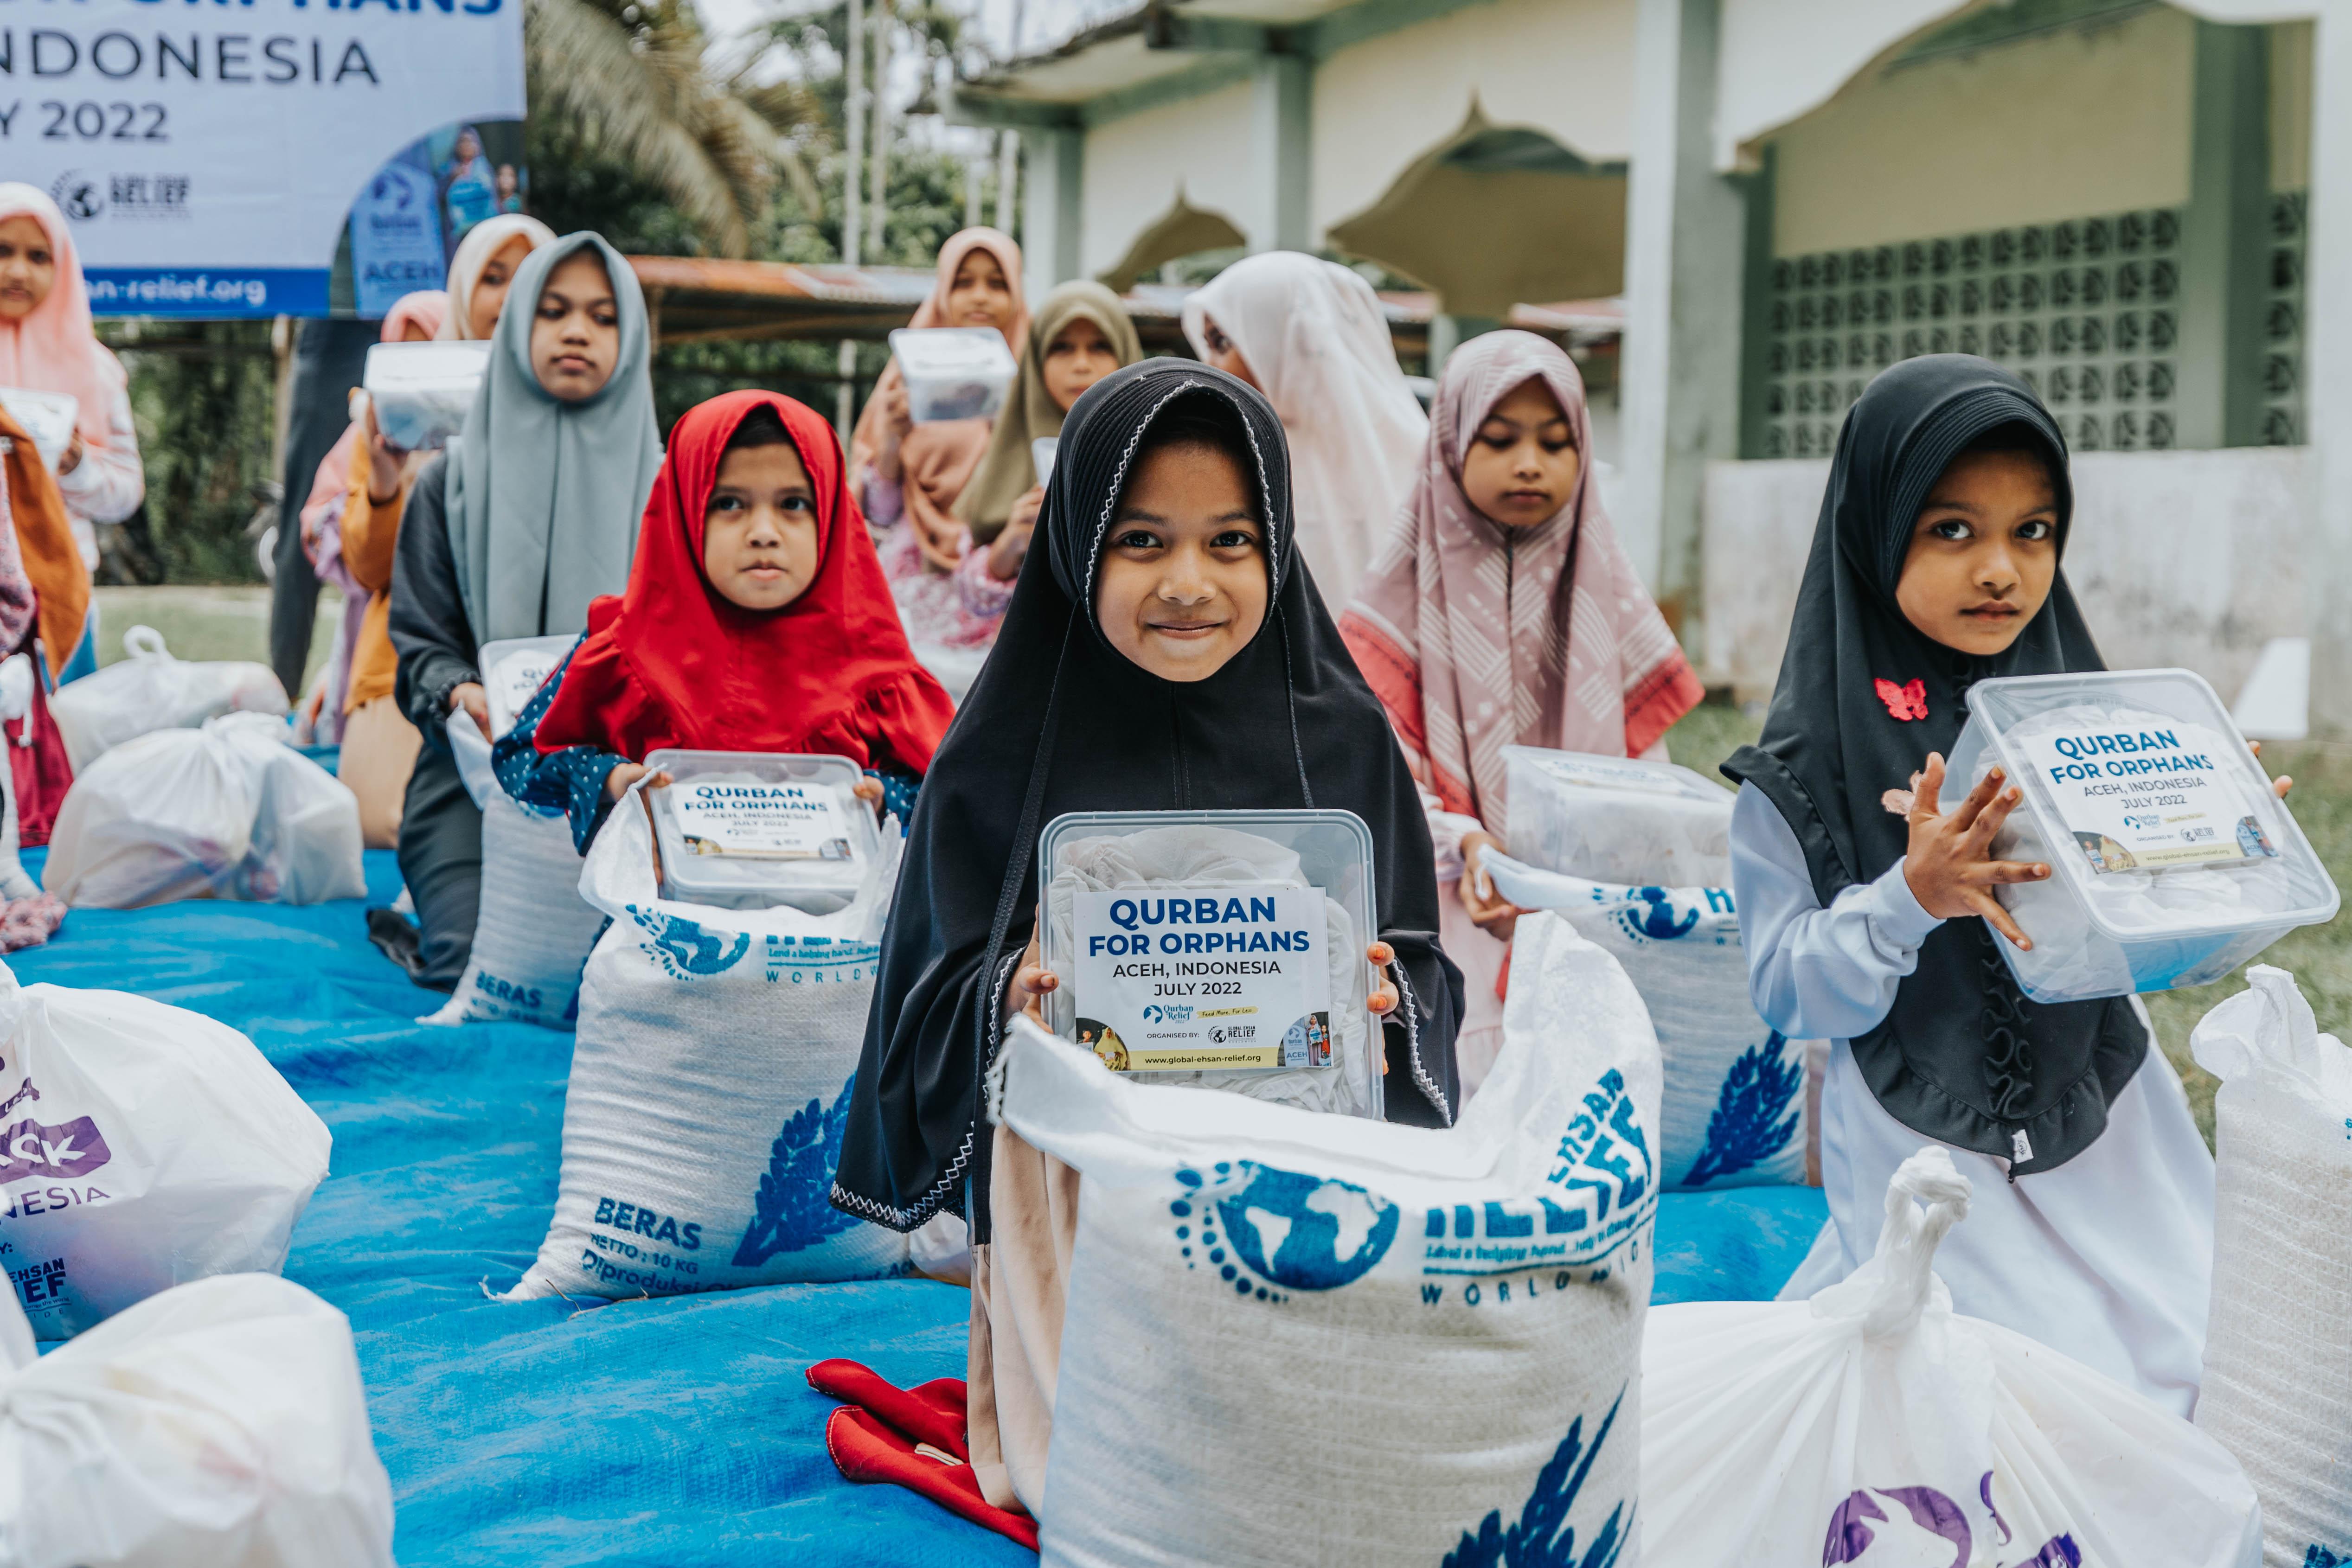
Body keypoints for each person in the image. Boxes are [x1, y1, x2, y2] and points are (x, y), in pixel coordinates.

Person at [833, 359, 1465, 1517]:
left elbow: (1419, 963)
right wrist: (1011, 996)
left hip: (1297, 1195)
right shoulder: (1002, 757)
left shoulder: (1342, 740)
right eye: (1139, 542)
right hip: (1082, 1212)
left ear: (1277, 543)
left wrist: (1385, 1001)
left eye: (1231, 542)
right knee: (1124, 1479)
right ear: (1076, 545)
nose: (1190, 582)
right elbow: (927, 992)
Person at [1723, 355, 2250, 1417]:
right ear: (1874, 533)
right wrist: (1906, 898)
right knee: (2015, 1404)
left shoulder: (2087, 725)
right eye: (1951, 530)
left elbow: (2148, 950)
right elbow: (1787, 995)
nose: (2002, 570)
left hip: (2109, 1123)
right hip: (1929, 1157)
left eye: (2034, 530)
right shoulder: (1800, 776)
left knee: (2204, 1366)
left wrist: (2216, 852)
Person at [1341, 330, 1704, 1094]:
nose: (1531, 462)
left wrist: (1594, 854)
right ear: (1449, 446)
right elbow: (1381, 766)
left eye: (1555, 440)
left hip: (1584, 908)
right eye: (1500, 439)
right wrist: (1470, 845)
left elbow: (1645, 775)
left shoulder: (1606, 589)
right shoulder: (1396, 599)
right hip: (1445, 893)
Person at [493, 390, 955, 851]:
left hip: (841, 920)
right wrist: (611, 778)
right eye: (729, 504)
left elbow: (948, 791)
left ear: (833, 514)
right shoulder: (620, 649)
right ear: (683, 509)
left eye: (793, 504)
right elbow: (520, 759)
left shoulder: (877, 665)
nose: (763, 534)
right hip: (658, 921)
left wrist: (881, 799)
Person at [381, 232, 662, 991]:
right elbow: (422, 642)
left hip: (628, 785)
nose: (577, 332)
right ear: (515, 333)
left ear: (631, 339)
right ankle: (420, 907)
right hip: (472, 776)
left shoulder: (670, 492)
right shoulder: (449, 485)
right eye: (554, 310)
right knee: (470, 961)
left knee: (631, 969)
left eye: (604, 317)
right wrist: (459, 692)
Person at [337, 216, 556, 844]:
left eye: (533, 279)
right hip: (414, 659)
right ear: (463, 291)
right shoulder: (399, 412)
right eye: (494, 278)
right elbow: (370, 571)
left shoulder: (584, 413)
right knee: (389, 823)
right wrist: (387, 480)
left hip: (542, 657)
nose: (513, 296)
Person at [1180, 251, 1425, 612]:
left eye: (1222, 343)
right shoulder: (1212, 461)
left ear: (1282, 341)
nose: (1211, 368)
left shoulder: (1422, 466)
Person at [849, 228, 1026, 648]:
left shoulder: (1040, 385)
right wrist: (892, 442)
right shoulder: (905, 382)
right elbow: (877, 515)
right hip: (917, 599)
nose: (980, 297)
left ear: (1017, 293)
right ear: (943, 291)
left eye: (997, 283)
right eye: (964, 283)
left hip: (1012, 602)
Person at [295, 290, 450, 748]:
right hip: (377, 624)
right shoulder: (370, 436)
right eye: (407, 356)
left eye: (434, 351)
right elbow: (328, 524)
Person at [0, 184, 141, 681]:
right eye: (4, 251)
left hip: (59, 597)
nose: (19, 271)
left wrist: (76, 466)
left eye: (39, 256)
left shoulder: (94, 370)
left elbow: (126, 492)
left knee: (57, 746)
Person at [947, 279, 1141, 635]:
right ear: (1036, 360)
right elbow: (969, 601)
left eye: (1100, 346)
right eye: (1062, 347)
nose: (1081, 364)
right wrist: (1012, 542)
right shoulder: (1009, 453)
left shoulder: (1155, 454)